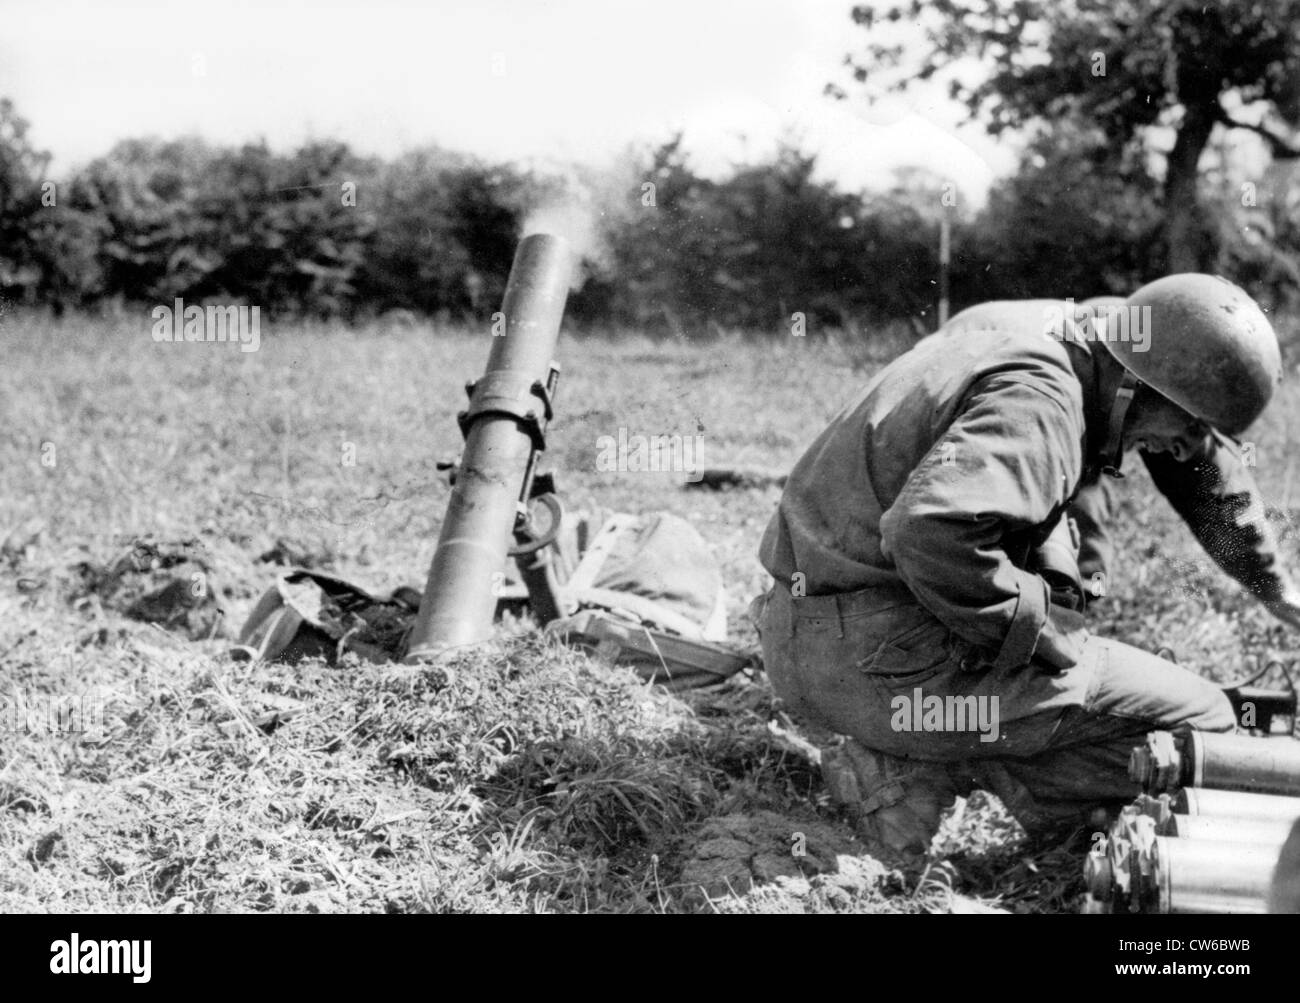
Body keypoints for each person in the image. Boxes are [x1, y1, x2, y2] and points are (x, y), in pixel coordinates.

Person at [750, 273, 1299, 870]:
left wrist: (1273, 585)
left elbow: (1200, 473)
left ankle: (935, 749)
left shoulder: (1045, 338)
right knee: (1206, 720)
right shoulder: (1046, 399)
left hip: (807, 637)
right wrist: (1043, 629)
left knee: (1079, 637)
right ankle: (919, 766)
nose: (1186, 446)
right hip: (877, 662)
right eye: (1189, 425)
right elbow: (926, 530)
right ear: (1137, 386)